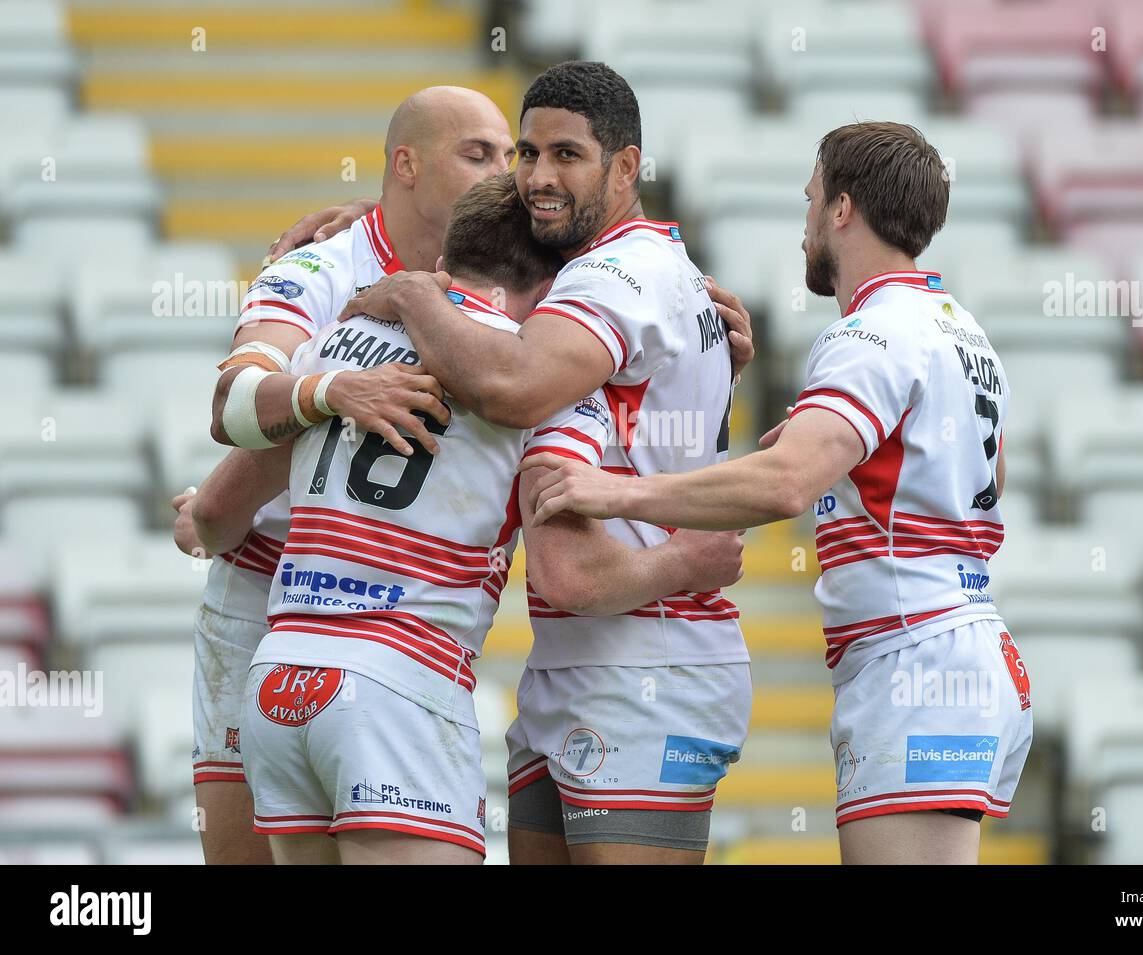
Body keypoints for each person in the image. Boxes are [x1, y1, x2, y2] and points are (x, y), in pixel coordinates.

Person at [189, 173, 744, 864]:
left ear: (448, 257)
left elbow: (217, 510)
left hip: (280, 674)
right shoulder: (533, 387)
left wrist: (196, 526)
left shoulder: (342, 339)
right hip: (401, 683)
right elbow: (568, 571)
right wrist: (688, 559)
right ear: (561, 284)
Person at [523, 122, 1034, 866]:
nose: (803, 227)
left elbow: (787, 483)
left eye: (810, 200)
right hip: (958, 644)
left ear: (842, 210)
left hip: (915, 655)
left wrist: (615, 494)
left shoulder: (869, 334)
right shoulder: (962, 329)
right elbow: (987, 476)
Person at [172, 86, 516, 864]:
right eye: (478, 153)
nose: (507, 172)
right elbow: (230, 399)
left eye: (508, 153)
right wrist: (330, 392)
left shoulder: (506, 272)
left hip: (388, 611)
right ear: (407, 164)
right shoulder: (323, 269)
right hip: (268, 590)